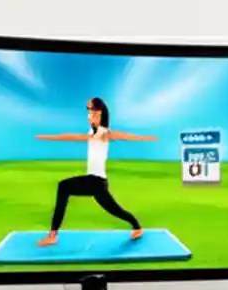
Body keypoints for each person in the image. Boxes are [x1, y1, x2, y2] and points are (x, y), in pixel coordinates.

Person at [35, 97, 156, 247]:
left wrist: (143, 138)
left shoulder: (104, 133)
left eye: (92, 112)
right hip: (97, 183)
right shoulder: (92, 132)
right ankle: (137, 227)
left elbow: (121, 135)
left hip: (96, 181)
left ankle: (53, 235)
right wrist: (50, 137)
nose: (89, 116)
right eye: (89, 112)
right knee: (116, 210)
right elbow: (74, 137)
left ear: (99, 114)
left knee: (63, 187)